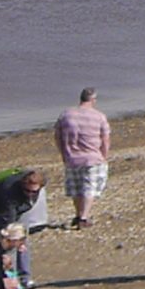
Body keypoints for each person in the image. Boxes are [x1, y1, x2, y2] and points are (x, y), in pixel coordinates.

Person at [55, 88, 112, 228]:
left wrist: (63, 153)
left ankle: (78, 214)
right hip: (92, 157)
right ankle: (84, 217)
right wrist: (104, 156)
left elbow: (57, 136)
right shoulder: (99, 116)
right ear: (93, 100)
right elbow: (105, 139)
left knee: (76, 188)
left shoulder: (66, 115)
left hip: (72, 157)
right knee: (89, 188)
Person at [0, 169, 43, 288]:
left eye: (34, 191)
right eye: (28, 190)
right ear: (23, 184)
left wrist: (21, 241)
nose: (31, 194)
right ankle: (9, 281)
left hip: (20, 210)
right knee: (9, 246)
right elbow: (10, 221)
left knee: (24, 243)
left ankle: (25, 279)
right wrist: (16, 240)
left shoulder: (36, 187)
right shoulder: (9, 191)